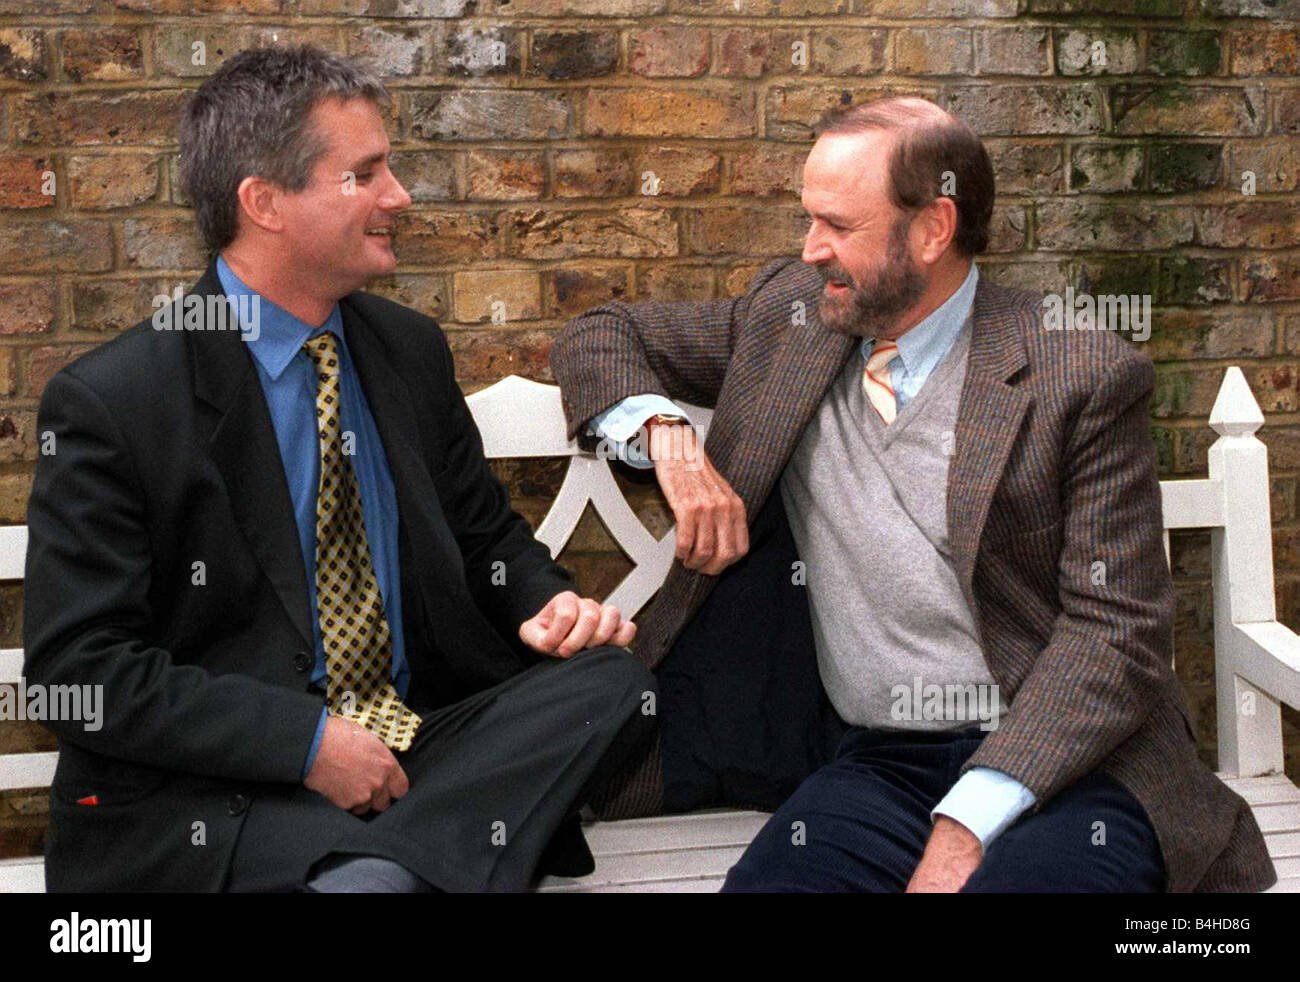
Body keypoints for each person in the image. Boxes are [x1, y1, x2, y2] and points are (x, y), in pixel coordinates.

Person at [549, 96, 1274, 892]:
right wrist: (669, 440)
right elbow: (600, 334)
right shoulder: (791, 322)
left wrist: (968, 822)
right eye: (807, 220)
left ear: (932, 228)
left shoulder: (1079, 373)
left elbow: (1116, 630)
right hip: (882, 763)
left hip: (1075, 768)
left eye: (837, 226)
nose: (810, 249)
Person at [22, 44, 654, 893]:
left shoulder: (407, 351)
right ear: (265, 203)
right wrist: (306, 745)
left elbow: (482, 535)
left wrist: (543, 604)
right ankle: (401, 865)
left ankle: (392, 858)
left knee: (611, 685)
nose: (398, 195)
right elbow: (78, 669)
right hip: (226, 793)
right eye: (366, 173)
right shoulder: (116, 400)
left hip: (413, 745)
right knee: (380, 886)